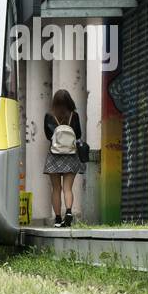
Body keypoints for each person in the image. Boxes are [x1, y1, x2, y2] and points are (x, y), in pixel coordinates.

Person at [43, 89, 84, 228]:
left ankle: (57, 219)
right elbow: (78, 134)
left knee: (56, 188)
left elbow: (48, 136)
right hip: (71, 155)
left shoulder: (49, 116)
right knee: (68, 188)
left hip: (54, 155)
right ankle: (68, 212)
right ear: (69, 101)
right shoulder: (74, 116)